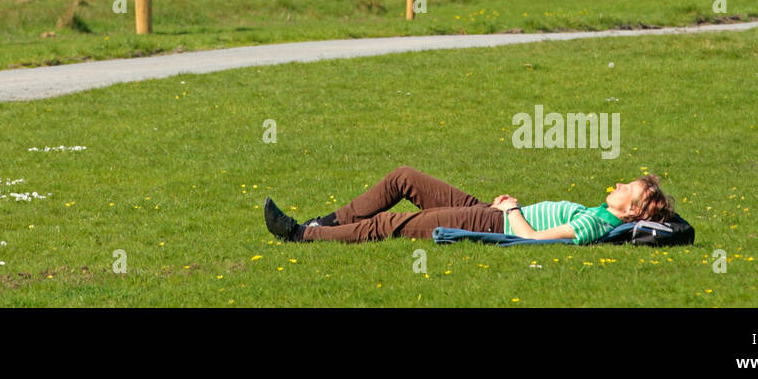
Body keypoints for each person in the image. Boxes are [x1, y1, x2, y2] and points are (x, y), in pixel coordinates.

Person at [263, 165, 674, 245]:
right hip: (494, 211)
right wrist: (507, 205)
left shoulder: (595, 226)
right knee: (403, 177)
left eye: (628, 189)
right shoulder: (603, 214)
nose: (618, 184)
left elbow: (533, 240)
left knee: (395, 224)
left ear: (634, 211)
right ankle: (326, 222)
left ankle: (302, 234)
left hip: (494, 223)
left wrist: (511, 210)